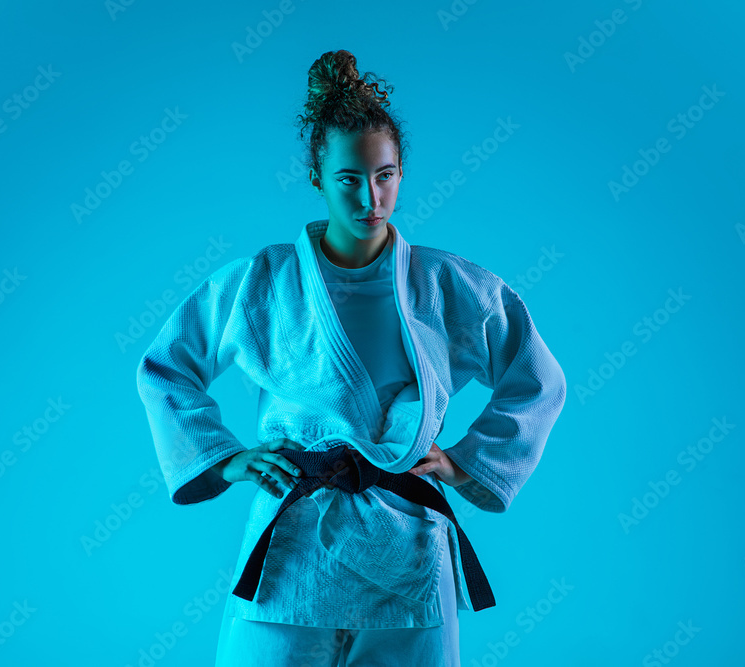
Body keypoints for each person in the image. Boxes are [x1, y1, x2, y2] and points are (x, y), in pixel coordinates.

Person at [135, 49, 566, 667]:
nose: (371, 197)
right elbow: (166, 367)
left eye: (386, 175)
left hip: (408, 548)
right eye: (349, 178)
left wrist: (467, 462)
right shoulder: (262, 282)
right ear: (317, 175)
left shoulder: (449, 286)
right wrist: (226, 459)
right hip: (296, 545)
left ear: (401, 173)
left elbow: (538, 380)